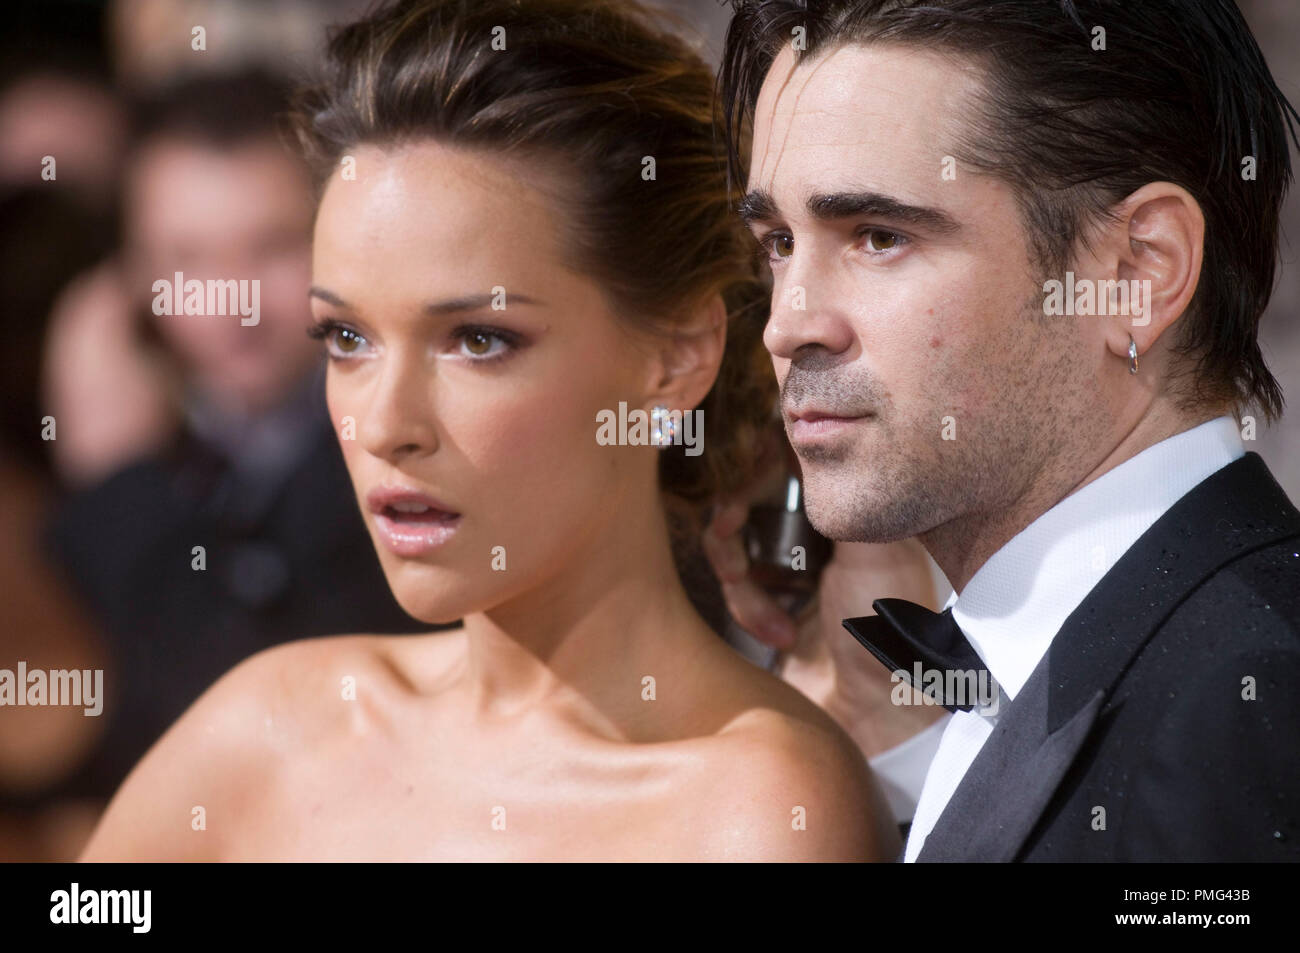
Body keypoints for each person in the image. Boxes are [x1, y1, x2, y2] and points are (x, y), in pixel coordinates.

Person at [79, 0, 913, 862]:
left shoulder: (755, 811)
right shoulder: (266, 733)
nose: (386, 426)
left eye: (479, 340)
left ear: (675, 359)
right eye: (347, 339)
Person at [709, 0, 1300, 860]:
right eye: (777, 242)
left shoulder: (1247, 710)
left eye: (878, 236)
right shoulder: (1128, 667)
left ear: (1136, 273)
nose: (787, 324)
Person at [42, 69, 428, 805]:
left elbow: (262, 730)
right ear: (129, 280)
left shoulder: (400, 448)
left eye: (272, 248)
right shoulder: (120, 450)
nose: (234, 303)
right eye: (186, 260)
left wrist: (120, 489)